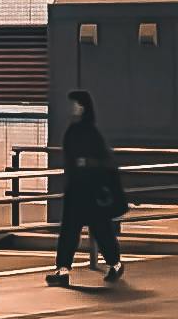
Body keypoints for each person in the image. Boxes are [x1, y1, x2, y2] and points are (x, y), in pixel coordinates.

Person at [48, 89, 126, 285]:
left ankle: (65, 269)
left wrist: (85, 163)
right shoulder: (80, 130)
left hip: (86, 190)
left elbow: (102, 161)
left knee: (83, 230)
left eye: (74, 104)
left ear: (82, 107)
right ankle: (111, 264)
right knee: (91, 230)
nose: (71, 108)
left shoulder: (86, 132)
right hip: (83, 190)